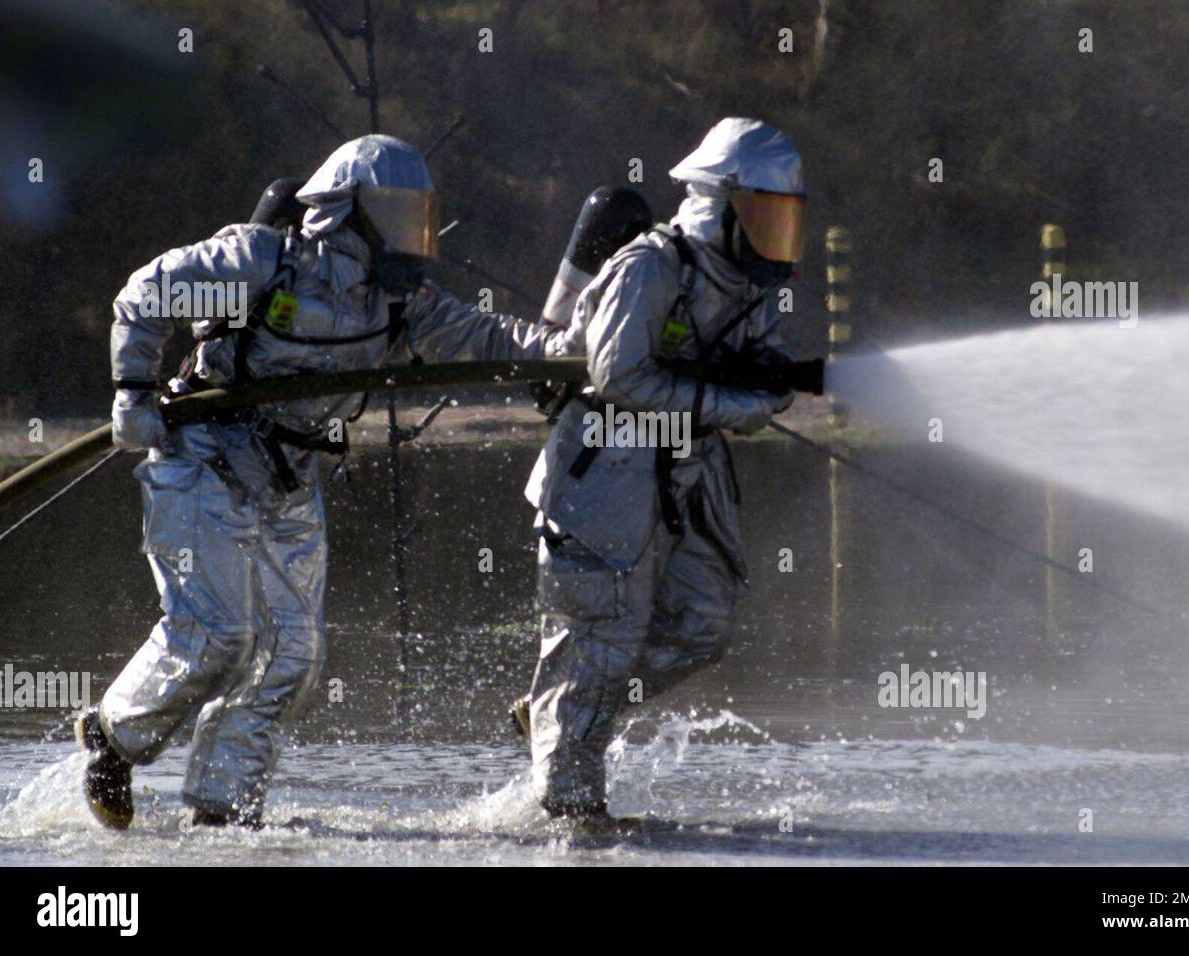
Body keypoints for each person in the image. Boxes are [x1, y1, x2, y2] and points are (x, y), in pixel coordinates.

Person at [79, 134, 489, 829]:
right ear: (347, 210)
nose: (408, 232)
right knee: (219, 635)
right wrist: (131, 394)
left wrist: (572, 352)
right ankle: (114, 739)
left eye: (415, 214)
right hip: (202, 459)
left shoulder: (399, 303)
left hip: (291, 479)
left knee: (292, 656)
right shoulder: (262, 262)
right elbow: (146, 294)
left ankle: (221, 809)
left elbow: (486, 336)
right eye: (395, 213)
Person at [406, 117, 806, 822]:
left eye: (785, 219)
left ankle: (555, 708)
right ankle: (572, 824)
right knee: (598, 648)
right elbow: (620, 378)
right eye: (764, 216)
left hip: (686, 479)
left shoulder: (750, 285)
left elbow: (756, 359)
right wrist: (728, 403)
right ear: (722, 203)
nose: (775, 235)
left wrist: (766, 385)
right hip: (604, 480)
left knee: (702, 624)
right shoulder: (649, 267)